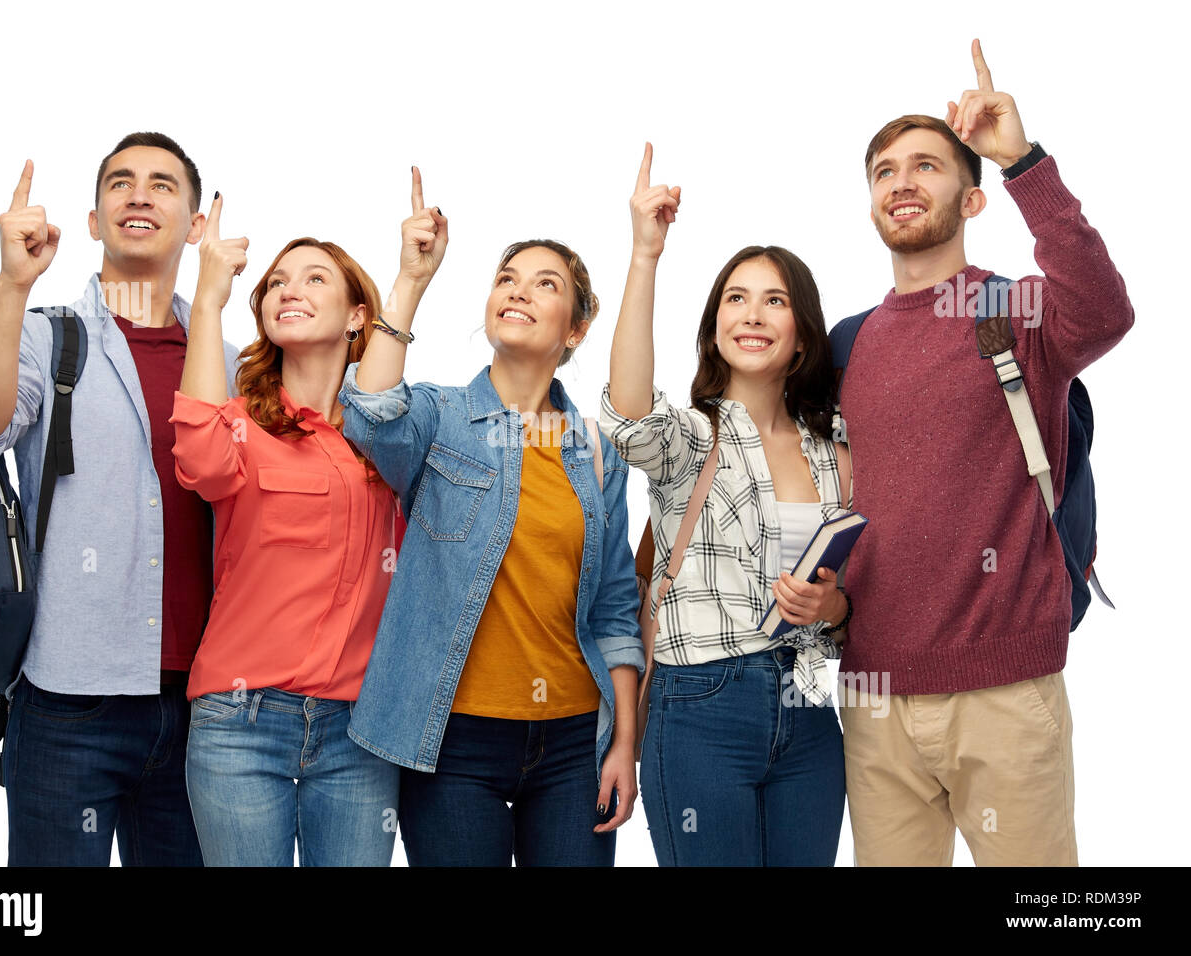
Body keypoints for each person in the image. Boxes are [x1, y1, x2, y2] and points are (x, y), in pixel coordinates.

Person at [834, 39, 1134, 866]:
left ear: (971, 199)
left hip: (1004, 690)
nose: (902, 182)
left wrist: (1022, 163)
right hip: (873, 693)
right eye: (885, 171)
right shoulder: (847, 344)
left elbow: (1105, 312)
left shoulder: (1017, 313)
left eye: (926, 166)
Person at [0, 132, 241, 866]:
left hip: (209, 708)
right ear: (96, 221)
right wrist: (10, 286)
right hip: (67, 703)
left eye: (163, 184)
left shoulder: (233, 365)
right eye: (121, 182)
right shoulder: (47, 337)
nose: (140, 194)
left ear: (196, 225)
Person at [338, 168, 644, 867]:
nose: (518, 291)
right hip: (452, 740)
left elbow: (615, 608)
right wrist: (411, 279)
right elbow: (369, 412)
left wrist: (623, 743)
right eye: (507, 278)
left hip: (572, 742)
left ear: (577, 328)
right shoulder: (439, 415)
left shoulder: (595, 450)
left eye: (545, 284)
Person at [600, 144, 852, 866]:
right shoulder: (690, 436)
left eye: (775, 300)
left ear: (801, 334)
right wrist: (645, 256)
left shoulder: (834, 450)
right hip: (702, 708)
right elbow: (628, 416)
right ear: (715, 326)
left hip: (810, 712)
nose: (753, 314)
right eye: (735, 299)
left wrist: (833, 608)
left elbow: (849, 604)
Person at [169, 196, 402, 866]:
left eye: (314, 278)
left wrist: (411, 278)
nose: (289, 290)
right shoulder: (242, 425)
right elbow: (198, 459)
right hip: (239, 724)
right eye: (276, 282)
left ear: (358, 316)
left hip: (359, 731)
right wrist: (209, 299)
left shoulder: (391, 437)